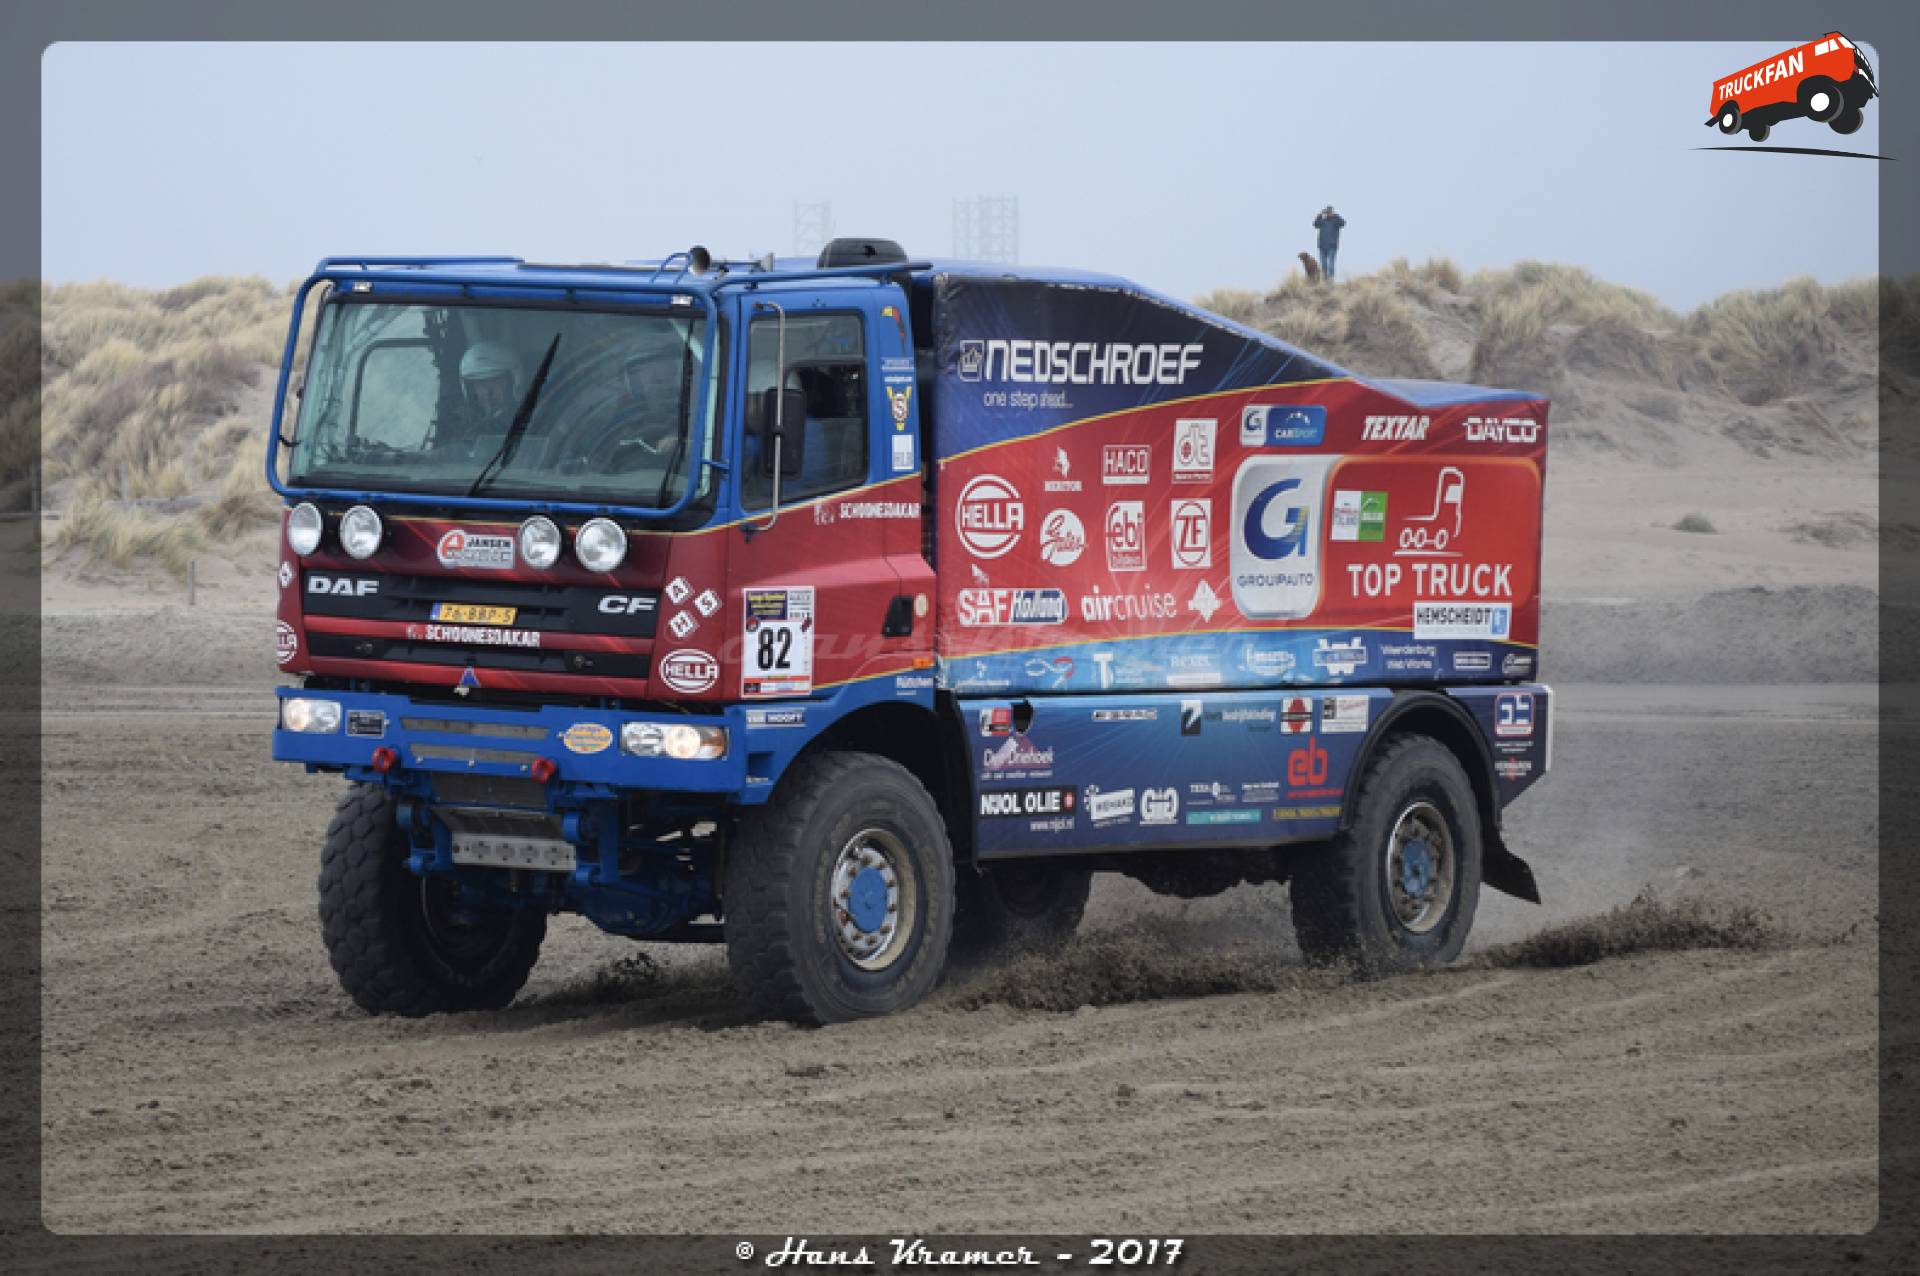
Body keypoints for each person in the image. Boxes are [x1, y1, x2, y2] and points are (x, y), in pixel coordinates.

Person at [1313, 205, 1346, 283]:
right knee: (1323, 265)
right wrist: (1320, 214)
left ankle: (1330, 280)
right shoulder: (1322, 221)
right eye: (1327, 212)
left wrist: (1336, 215)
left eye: (1330, 211)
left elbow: (1343, 223)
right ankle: (1325, 280)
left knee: (1331, 264)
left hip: (1332, 246)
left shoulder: (1336, 221)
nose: (1328, 213)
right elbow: (1315, 224)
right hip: (1322, 246)